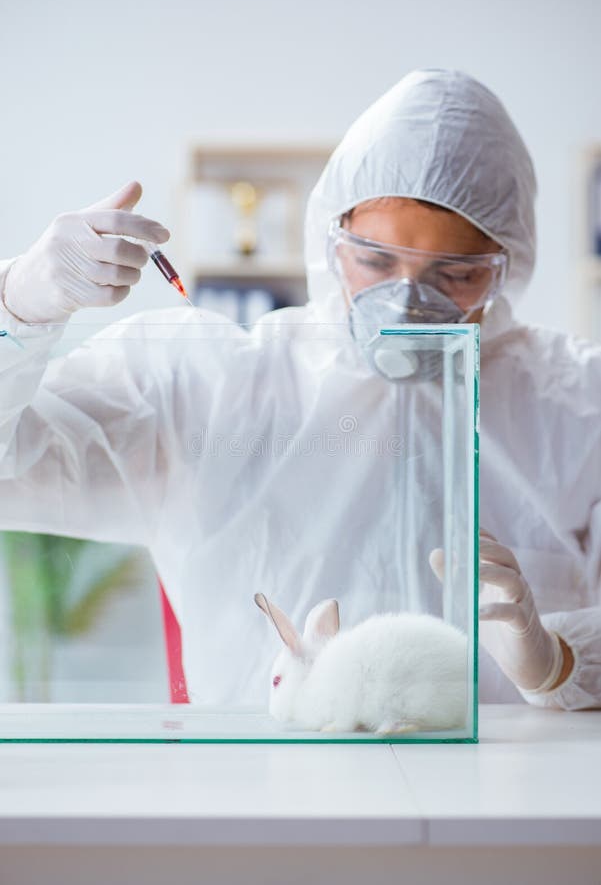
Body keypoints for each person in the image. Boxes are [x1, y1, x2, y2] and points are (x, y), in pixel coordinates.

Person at [0, 68, 599, 711]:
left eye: (454, 274)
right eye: (373, 259)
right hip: (265, 795)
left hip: (504, 798)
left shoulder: (575, 401)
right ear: (331, 237)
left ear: (506, 268)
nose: (404, 300)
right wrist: (19, 308)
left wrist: (559, 662)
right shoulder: (208, 386)